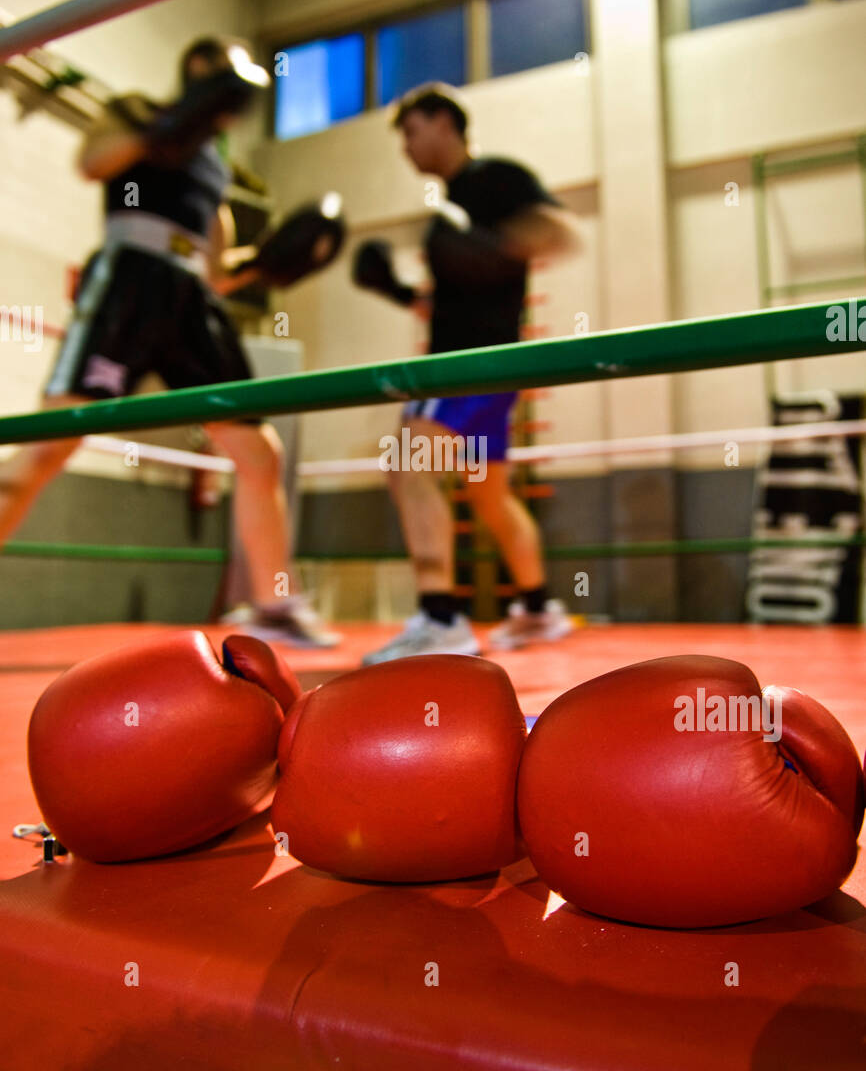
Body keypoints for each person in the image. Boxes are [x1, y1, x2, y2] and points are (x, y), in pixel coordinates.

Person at [0, 35, 338, 648]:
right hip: (129, 279)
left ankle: (274, 605)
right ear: (197, 70)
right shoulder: (135, 110)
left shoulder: (214, 165)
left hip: (192, 302)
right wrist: (169, 126)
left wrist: (271, 261)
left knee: (258, 452)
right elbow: (94, 162)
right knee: (46, 446)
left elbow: (214, 266)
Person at [353, 83, 582, 662]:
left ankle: (440, 619)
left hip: (467, 366)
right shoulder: (452, 202)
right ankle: (535, 607)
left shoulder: (492, 178)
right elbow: (455, 295)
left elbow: (561, 233)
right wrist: (401, 291)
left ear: (442, 122)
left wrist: (492, 244)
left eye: (411, 132)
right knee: (489, 496)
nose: (406, 148)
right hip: (494, 367)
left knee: (411, 464)